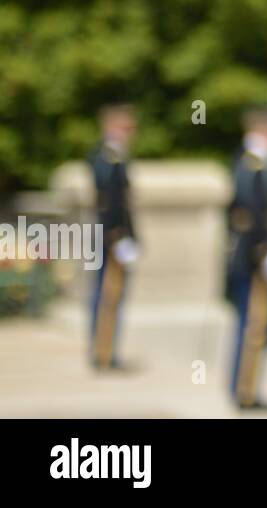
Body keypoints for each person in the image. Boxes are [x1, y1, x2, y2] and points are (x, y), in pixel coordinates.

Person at [227, 106, 267, 411]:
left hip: (253, 257)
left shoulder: (253, 161)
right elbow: (250, 217)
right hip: (252, 260)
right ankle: (245, 391)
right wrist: (265, 253)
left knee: (254, 323)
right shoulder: (253, 163)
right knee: (254, 323)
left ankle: (246, 389)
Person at [88, 103, 140, 371]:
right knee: (107, 294)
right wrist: (117, 237)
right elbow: (109, 204)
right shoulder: (108, 158)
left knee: (112, 295)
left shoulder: (115, 156)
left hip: (113, 237)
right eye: (126, 127)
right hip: (109, 238)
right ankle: (103, 353)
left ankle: (106, 351)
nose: (130, 133)